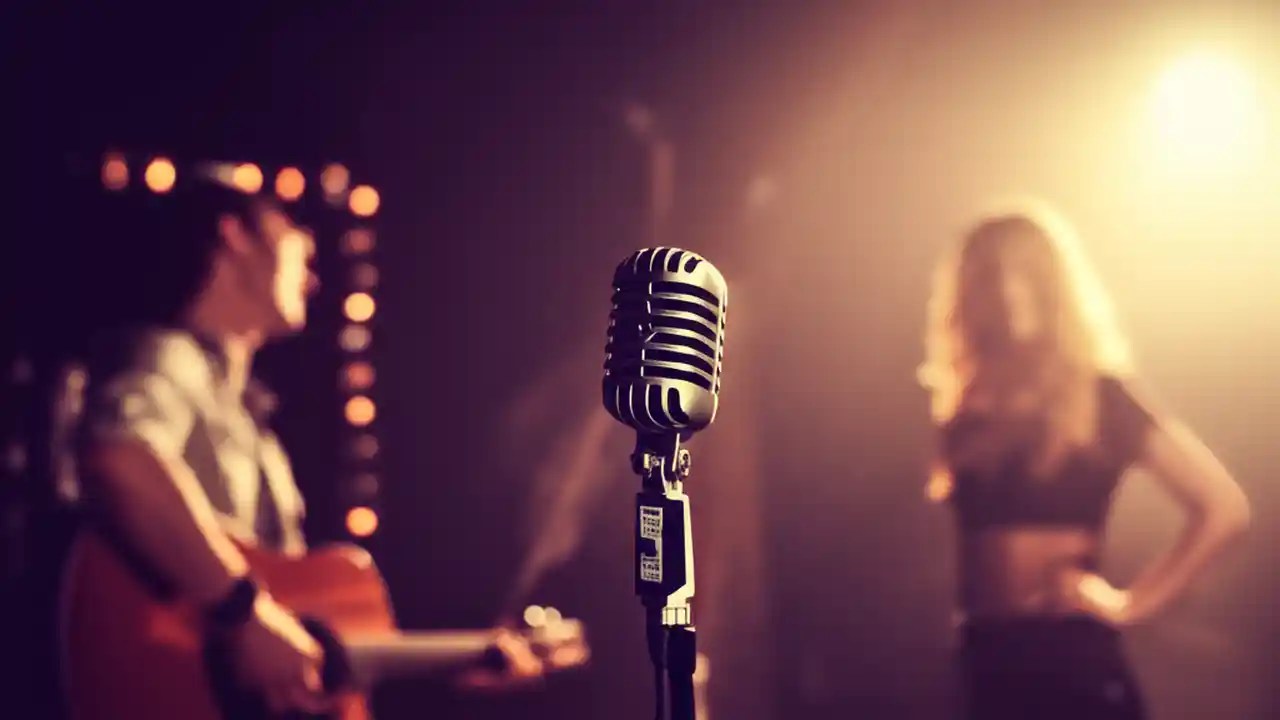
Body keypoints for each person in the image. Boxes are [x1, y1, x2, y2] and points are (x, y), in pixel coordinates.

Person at [73, 178, 544, 715]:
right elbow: (121, 458)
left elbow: (293, 653)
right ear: (234, 236)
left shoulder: (250, 419)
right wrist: (242, 613)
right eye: (294, 235)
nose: (312, 270)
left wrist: (454, 664)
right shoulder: (170, 359)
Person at [918, 201, 1251, 719]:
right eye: (994, 279)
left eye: (1024, 275)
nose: (1010, 294)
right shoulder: (967, 406)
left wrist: (1130, 604)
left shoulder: (1100, 396)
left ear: (1051, 286)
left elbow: (1224, 507)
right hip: (986, 660)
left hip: (1071, 660)